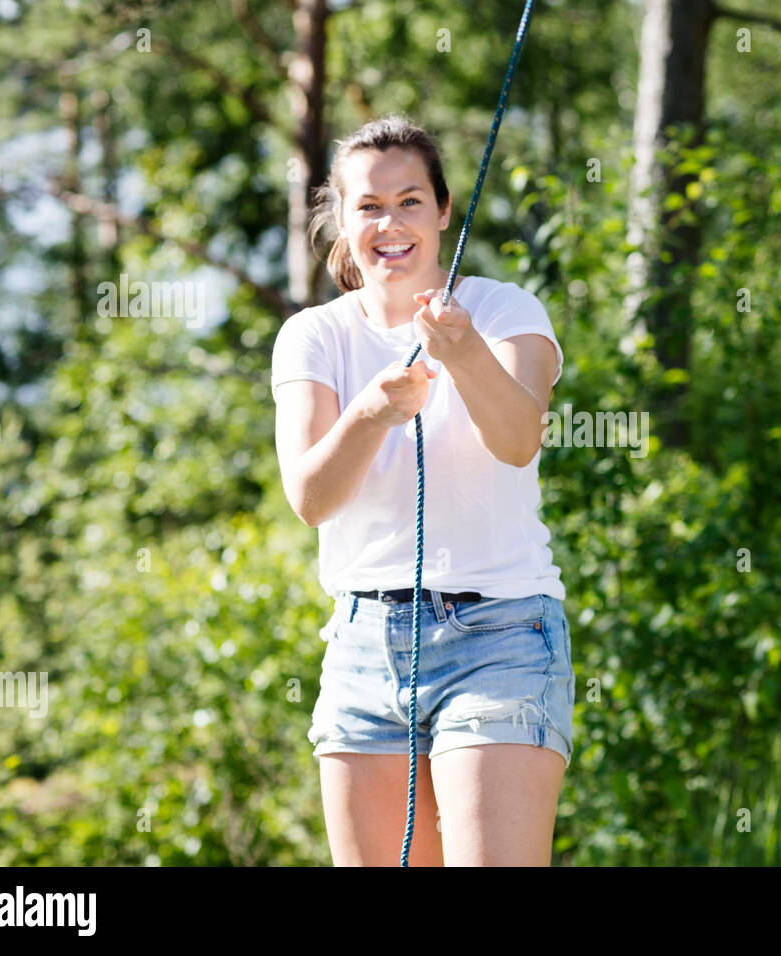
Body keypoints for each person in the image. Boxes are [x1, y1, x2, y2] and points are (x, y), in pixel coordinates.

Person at [270, 114, 573, 866]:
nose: (390, 223)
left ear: (444, 213)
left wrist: (464, 352)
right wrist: (372, 410)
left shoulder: (504, 312)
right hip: (362, 649)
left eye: (410, 201)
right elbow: (311, 497)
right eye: (368, 206)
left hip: (500, 638)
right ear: (343, 222)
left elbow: (517, 439)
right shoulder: (314, 337)